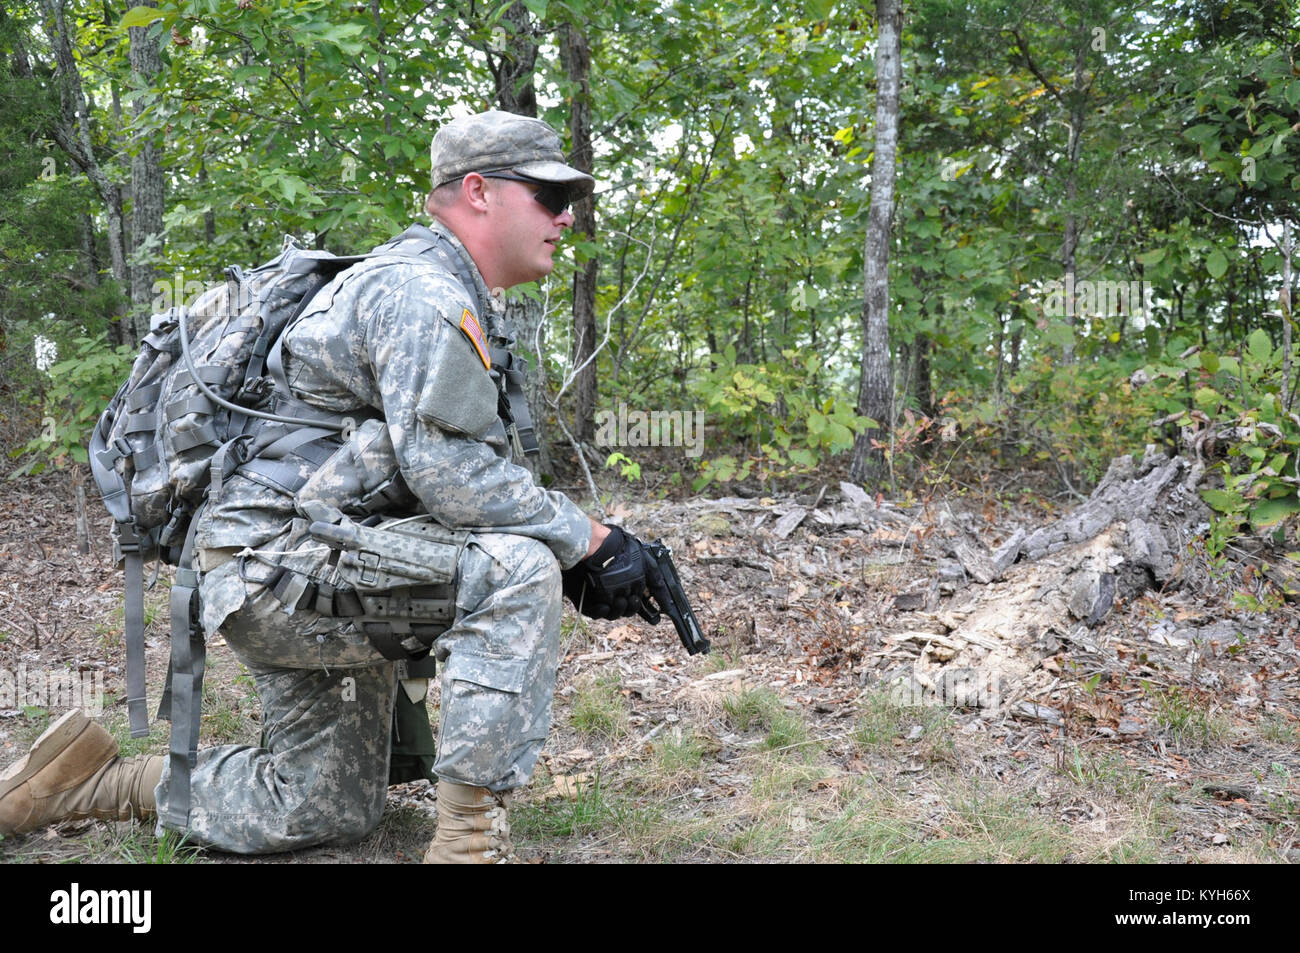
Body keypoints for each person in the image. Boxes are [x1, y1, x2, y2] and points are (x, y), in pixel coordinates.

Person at [0, 109, 652, 863]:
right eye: (547, 195)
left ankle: (97, 782)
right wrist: (590, 541)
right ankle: (470, 844)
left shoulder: (433, 286)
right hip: (283, 571)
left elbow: (432, 470)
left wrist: (577, 543)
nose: (566, 215)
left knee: (322, 806)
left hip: (279, 568)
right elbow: (450, 474)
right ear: (477, 191)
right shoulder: (422, 294)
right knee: (517, 569)